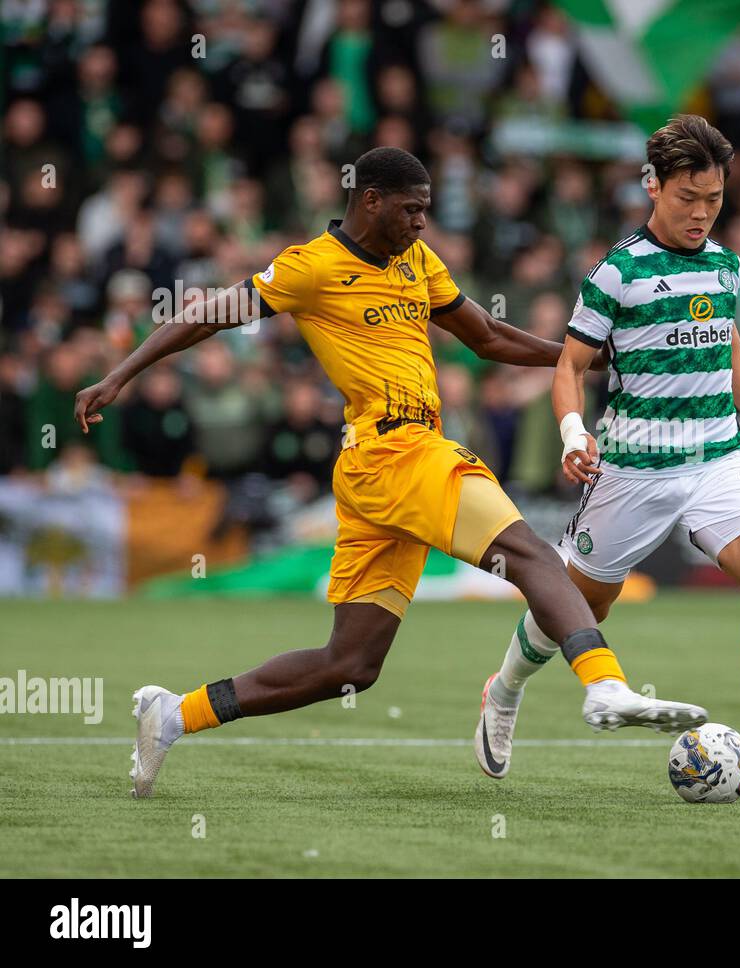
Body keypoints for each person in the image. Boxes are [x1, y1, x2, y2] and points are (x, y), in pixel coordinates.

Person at [73, 146, 707, 798]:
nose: (422, 223)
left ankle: (174, 714)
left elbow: (486, 335)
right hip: (395, 451)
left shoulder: (415, 261)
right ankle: (604, 685)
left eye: (427, 211)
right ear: (369, 200)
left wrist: (585, 359)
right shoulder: (312, 267)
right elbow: (204, 313)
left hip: (384, 468)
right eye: (412, 209)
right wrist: (120, 375)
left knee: (349, 665)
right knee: (531, 552)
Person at [474, 117, 740, 793]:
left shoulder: (727, 264)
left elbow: (726, 339)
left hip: (715, 459)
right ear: (654, 187)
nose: (701, 213)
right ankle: (504, 689)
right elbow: (569, 365)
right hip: (633, 467)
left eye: (714, 200)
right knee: (577, 610)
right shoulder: (617, 272)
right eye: (687, 198)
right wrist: (575, 434)